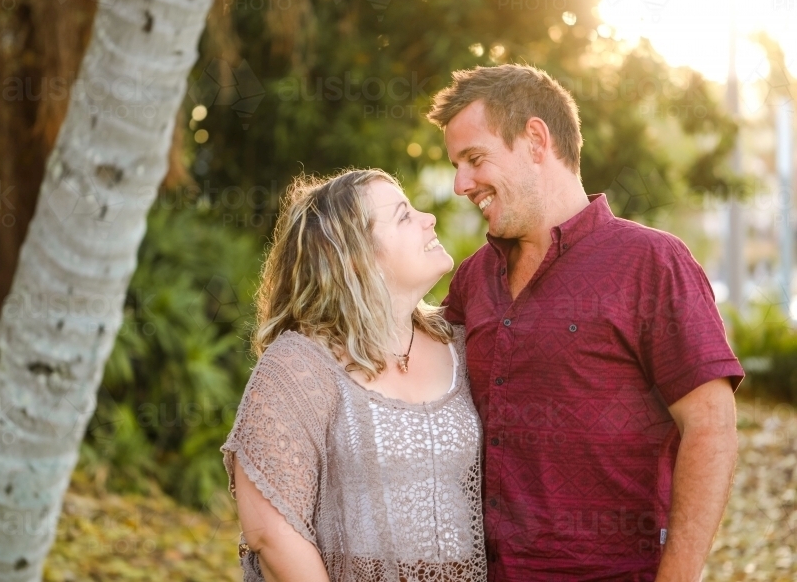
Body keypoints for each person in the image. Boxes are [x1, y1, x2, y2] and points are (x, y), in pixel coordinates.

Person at [427, 63, 745, 582]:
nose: (462, 184)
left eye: (475, 159)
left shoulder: (652, 262)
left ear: (535, 139)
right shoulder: (473, 278)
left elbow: (711, 426)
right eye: (457, 165)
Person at [222, 169, 488, 582]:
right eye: (403, 215)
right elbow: (271, 534)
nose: (428, 218)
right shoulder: (298, 365)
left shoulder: (464, 345)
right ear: (354, 257)